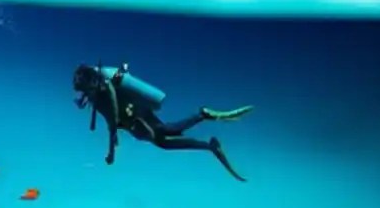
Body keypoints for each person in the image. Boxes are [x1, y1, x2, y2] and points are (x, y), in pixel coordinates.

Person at [72, 62, 254, 181]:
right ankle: (203, 121)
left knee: (163, 140)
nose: (84, 94)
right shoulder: (100, 91)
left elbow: (112, 120)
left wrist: (111, 152)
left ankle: (208, 140)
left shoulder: (104, 94)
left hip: (136, 118)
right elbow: (111, 118)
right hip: (137, 115)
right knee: (166, 132)